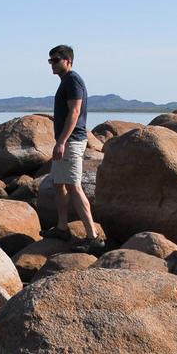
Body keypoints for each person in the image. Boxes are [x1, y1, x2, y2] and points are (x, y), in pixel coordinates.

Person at [41, 44, 103, 252]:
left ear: (68, 61)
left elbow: (75, 112)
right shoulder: (66, 81)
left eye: (56, 60)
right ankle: (62, 227)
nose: (52, 64)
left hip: (71, 142)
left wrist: (61, 142)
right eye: (50, 60)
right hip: (66, 140)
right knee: (59, 183)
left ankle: (93, 237)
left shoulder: (73, 79)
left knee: (74, 186)